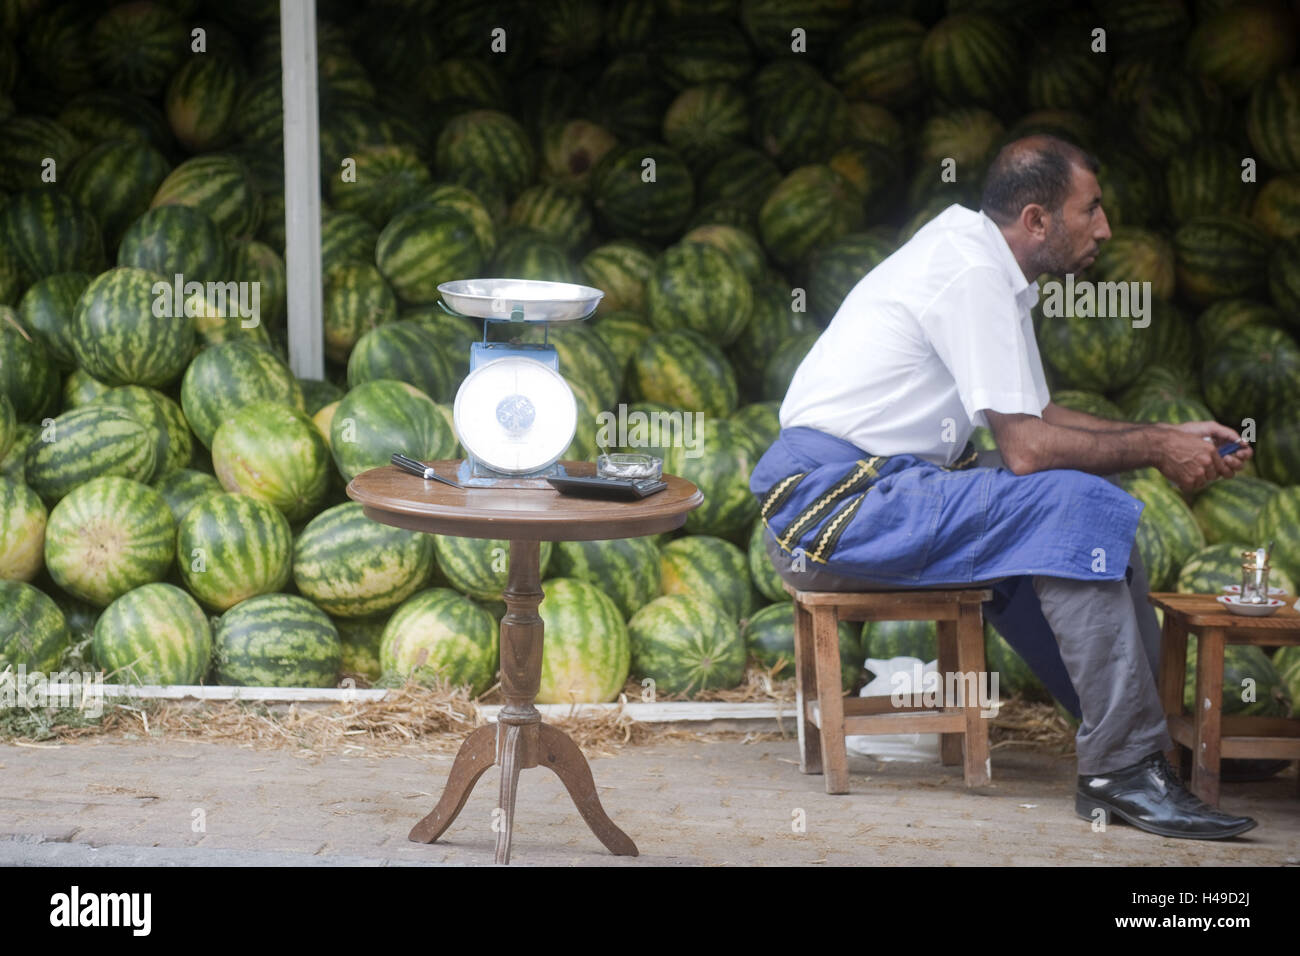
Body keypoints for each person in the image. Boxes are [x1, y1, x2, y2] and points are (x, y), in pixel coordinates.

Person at [750, 135, 1258, 840]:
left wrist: (1168, 438)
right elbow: (1025, 452)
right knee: (1070, 505)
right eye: (1093, 210)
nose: (1106, 229)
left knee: (1078, 507)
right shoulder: (969, 271)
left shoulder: (987, 265)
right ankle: (1122, 769)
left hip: (889, 494)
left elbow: (1039, 419)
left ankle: (1148, 746)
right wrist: (1156, 448)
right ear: (1036, 220)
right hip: (832, 508)